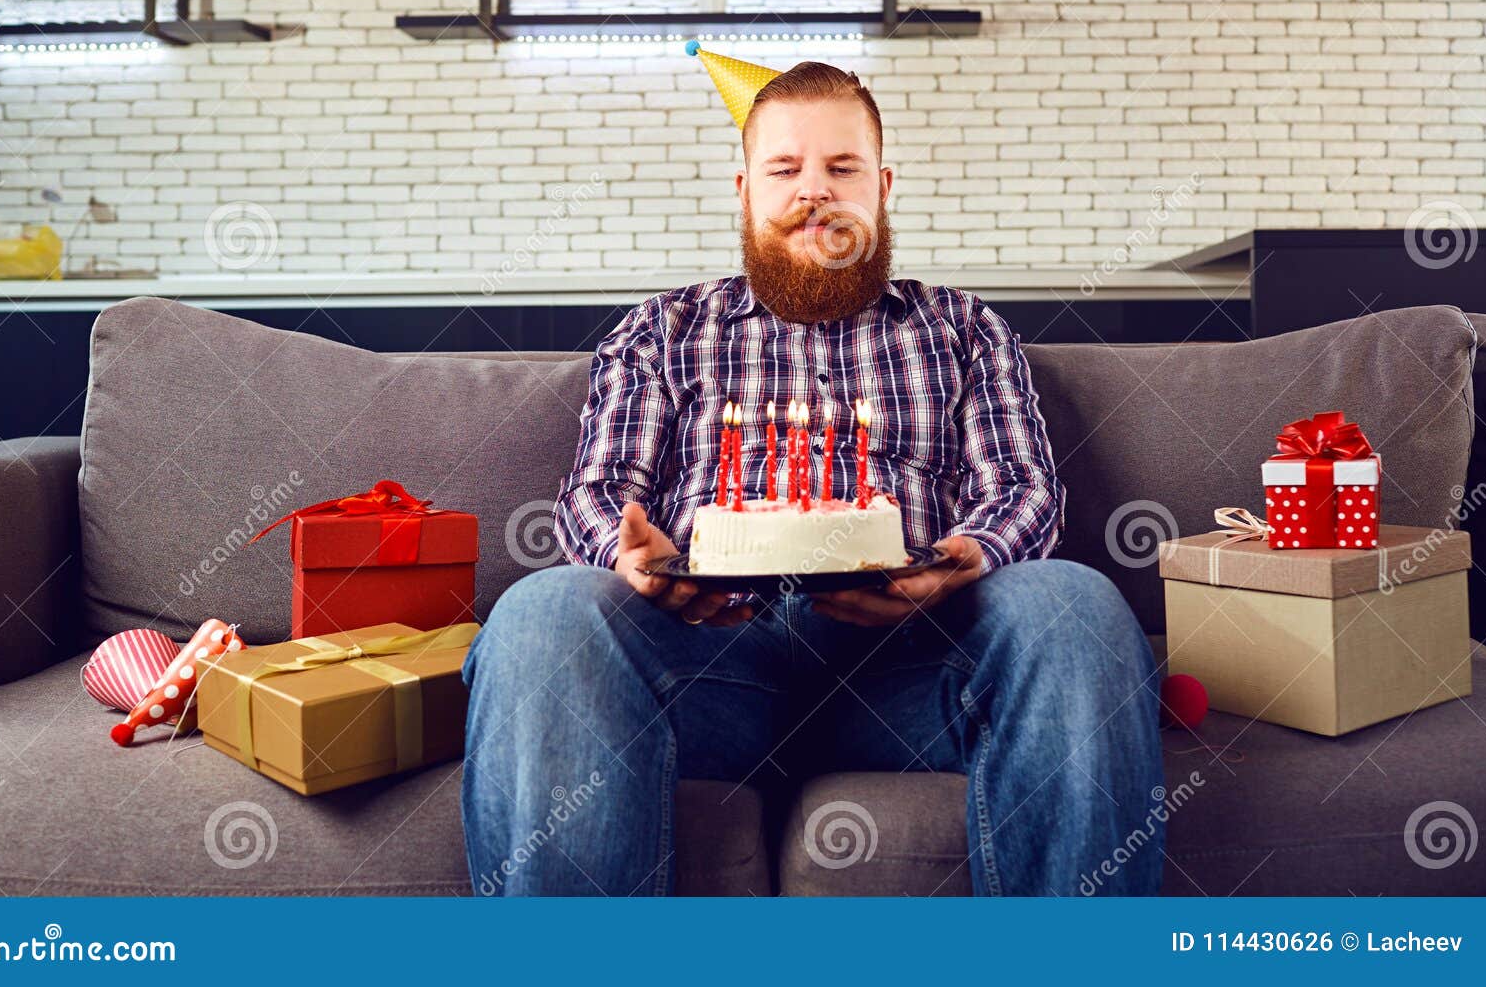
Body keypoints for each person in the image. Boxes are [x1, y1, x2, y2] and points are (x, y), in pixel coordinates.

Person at [461, 59, 1163, 896]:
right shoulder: (664, 330)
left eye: (842, 167)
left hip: (911, 671)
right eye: (785, 169)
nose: (813, 193)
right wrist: (631, 555)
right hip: (705, 664)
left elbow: (1023, 489)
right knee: (542, 610)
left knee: (1073, 601)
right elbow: (599, 488)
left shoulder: (964, 329)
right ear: (745, 187)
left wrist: (961, 558)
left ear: (883, 184)